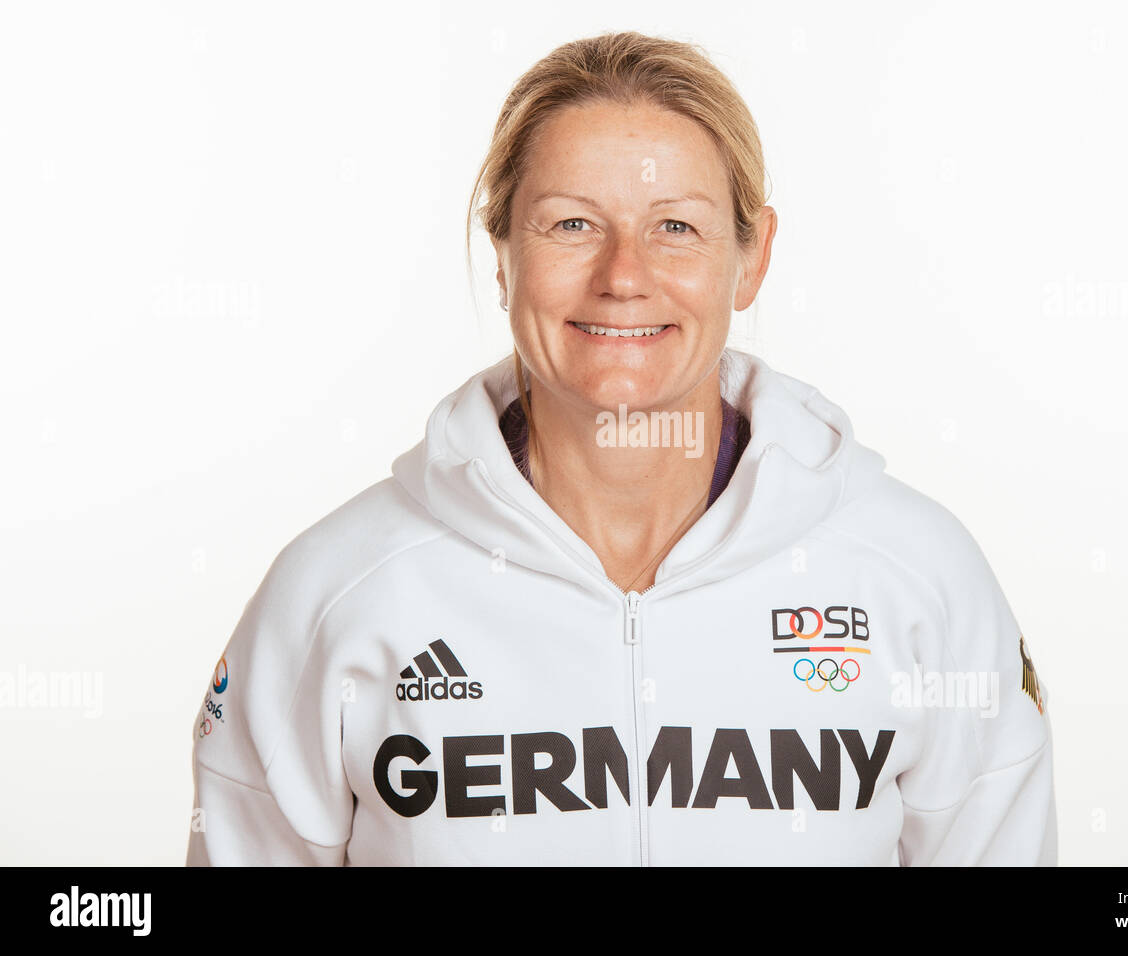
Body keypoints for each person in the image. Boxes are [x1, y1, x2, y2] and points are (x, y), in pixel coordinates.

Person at [185, 30, 1057, 866]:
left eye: (676, 226)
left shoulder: (918, 580)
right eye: (570, 225)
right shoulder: (338, 594)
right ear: (502, 255)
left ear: (750, 260)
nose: (624, 275)